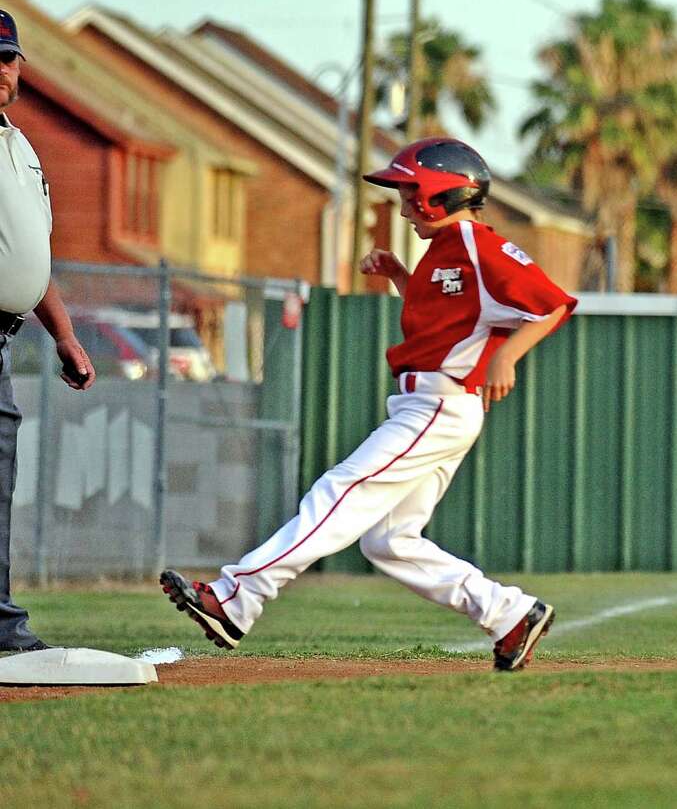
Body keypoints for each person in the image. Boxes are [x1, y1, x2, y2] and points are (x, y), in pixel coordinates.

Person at [161, 137, 575, 671]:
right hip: (429, 404)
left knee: (342, 488)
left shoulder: (477, 244)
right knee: (388, 540)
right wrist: (402, 277)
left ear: (442, 195)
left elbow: (554, 304)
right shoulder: (445, 252)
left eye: (410, 192)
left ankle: (239, 594)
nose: (402, 205)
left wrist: (508, 357)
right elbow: (449, 318)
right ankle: (510, 614)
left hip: (438, 404)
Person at [0, 8, 96, 653]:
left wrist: (63, 334)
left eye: (8, 58)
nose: (0, 70)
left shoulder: (21, 147)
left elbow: (29, 253)